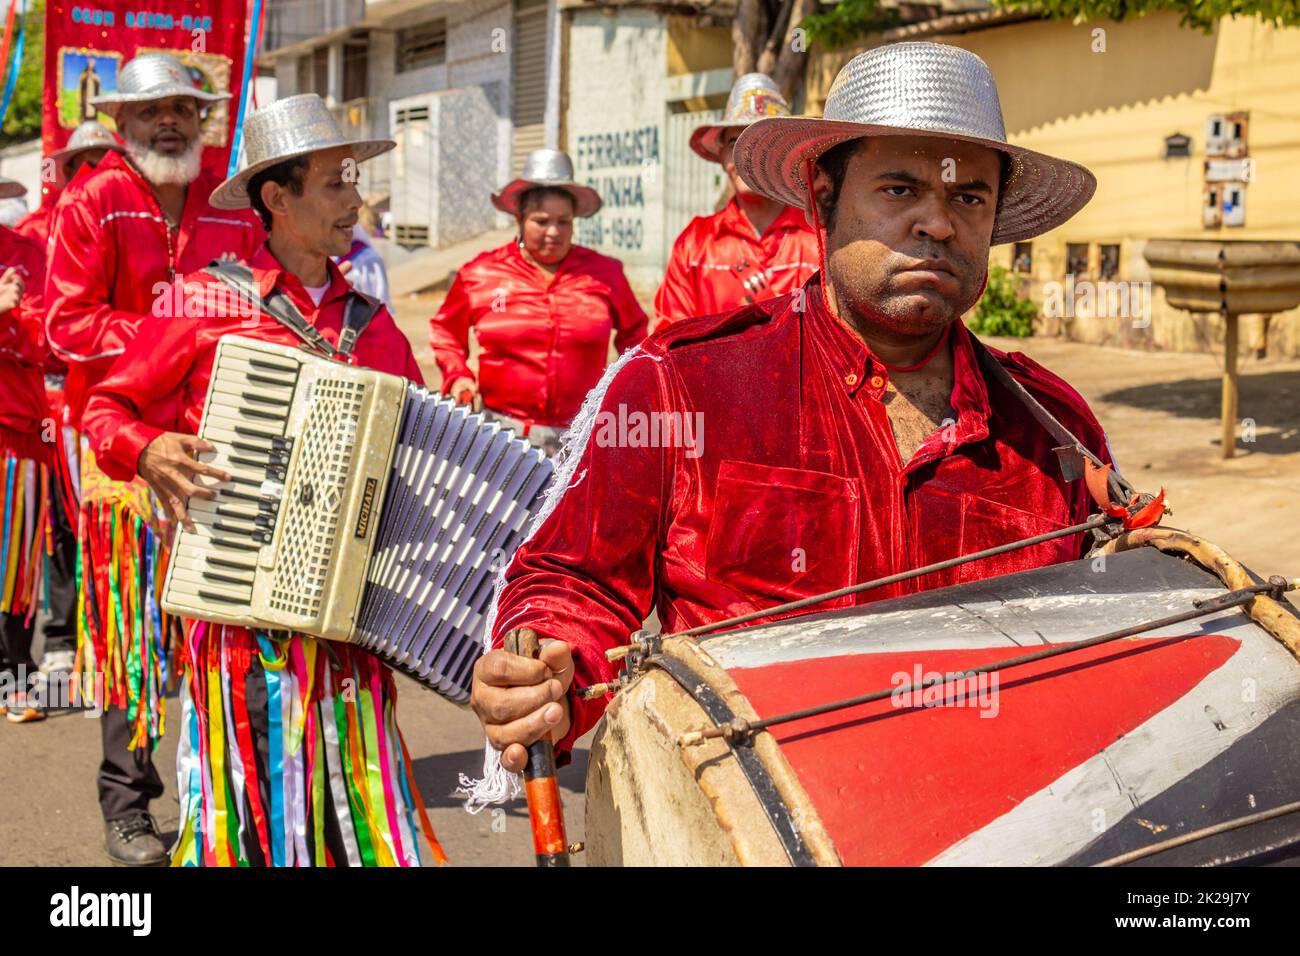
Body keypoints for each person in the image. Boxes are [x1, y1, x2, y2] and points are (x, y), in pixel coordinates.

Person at [465, 42, 1118, 799]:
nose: (938, 224)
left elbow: (1101, 634)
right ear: (823, 196)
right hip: (746, 824)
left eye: (969, 198)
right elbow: (575, 585)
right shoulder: (681, 384)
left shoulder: (1053, 428)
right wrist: (548, 665)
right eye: (900, 189)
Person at [82, 93, 445, 867]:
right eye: (337, 182)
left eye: (356, 181)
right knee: (249, 828)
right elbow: (105, 409)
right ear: (276, 199)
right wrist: (146, 450)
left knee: (355, 827)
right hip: (243, 632)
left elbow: (419, 448)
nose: (356, 199)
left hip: (352, 634)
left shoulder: (373, 323)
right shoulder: (205, 299)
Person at [45, 52, 263, 866]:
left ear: (205, 122)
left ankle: (228, 792)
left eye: (185, 108)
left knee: (221, 626)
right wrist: (175, 344)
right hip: (120, 448)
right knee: (133, 633)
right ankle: (128, 805)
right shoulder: (93, 200)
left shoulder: (236, 208)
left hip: (220, 444)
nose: (170, 121)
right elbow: (67, 326)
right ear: (119, 125)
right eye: (151, 111)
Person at [428, 148, 647, 455]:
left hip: (583, 437)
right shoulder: (481, 274)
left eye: (564, 221)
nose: (554, 232)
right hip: (501, 437)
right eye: (541, 221)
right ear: (519, 218)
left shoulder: (605, 274)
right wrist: (457, 375)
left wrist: (629, 386)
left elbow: (636, 335)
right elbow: (445, 332)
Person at [653, 74, 819, 330]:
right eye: (734, 142)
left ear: (785, 155)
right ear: (721, 155)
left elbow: (839, 341)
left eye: (759, 143)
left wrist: (772, 316)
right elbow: (670, 343)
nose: (744, 158)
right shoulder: (695, 245)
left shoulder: (820, 239)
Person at [0, 180, 52, 724]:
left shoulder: (26, 254)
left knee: (15, 567)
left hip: (16, 432)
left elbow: (45, 340)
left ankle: (16, 674)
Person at [15, 120, 123, 249]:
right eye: (92, 167)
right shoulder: (38, 231)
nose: (102, 177)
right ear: (69, 170)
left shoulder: (137, 214)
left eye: (108, 166)